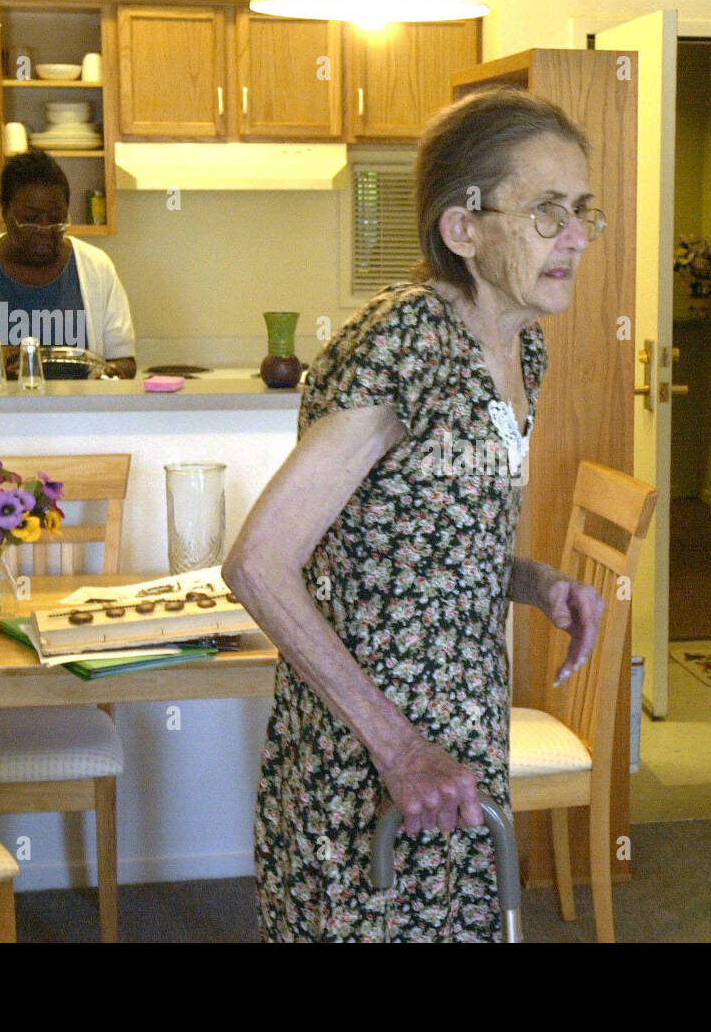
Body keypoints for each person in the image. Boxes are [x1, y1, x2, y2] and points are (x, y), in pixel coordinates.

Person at [222, 88, 609, 942]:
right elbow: (259, 563)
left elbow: (424, 536)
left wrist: (538, 582)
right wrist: (397, 749)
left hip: (464, 725)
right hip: (373, 747)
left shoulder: (523, 345)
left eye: (582, 211)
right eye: (548, 212)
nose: (577, 236)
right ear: (461, 228)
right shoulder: (405, 342)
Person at [0, 150, 136, 380]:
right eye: (31, 220)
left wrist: (110, 374)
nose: (45, 231)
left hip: (78, 416)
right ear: (5, 213)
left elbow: (124, 360)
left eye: (57, 219)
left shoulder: (97, 266)